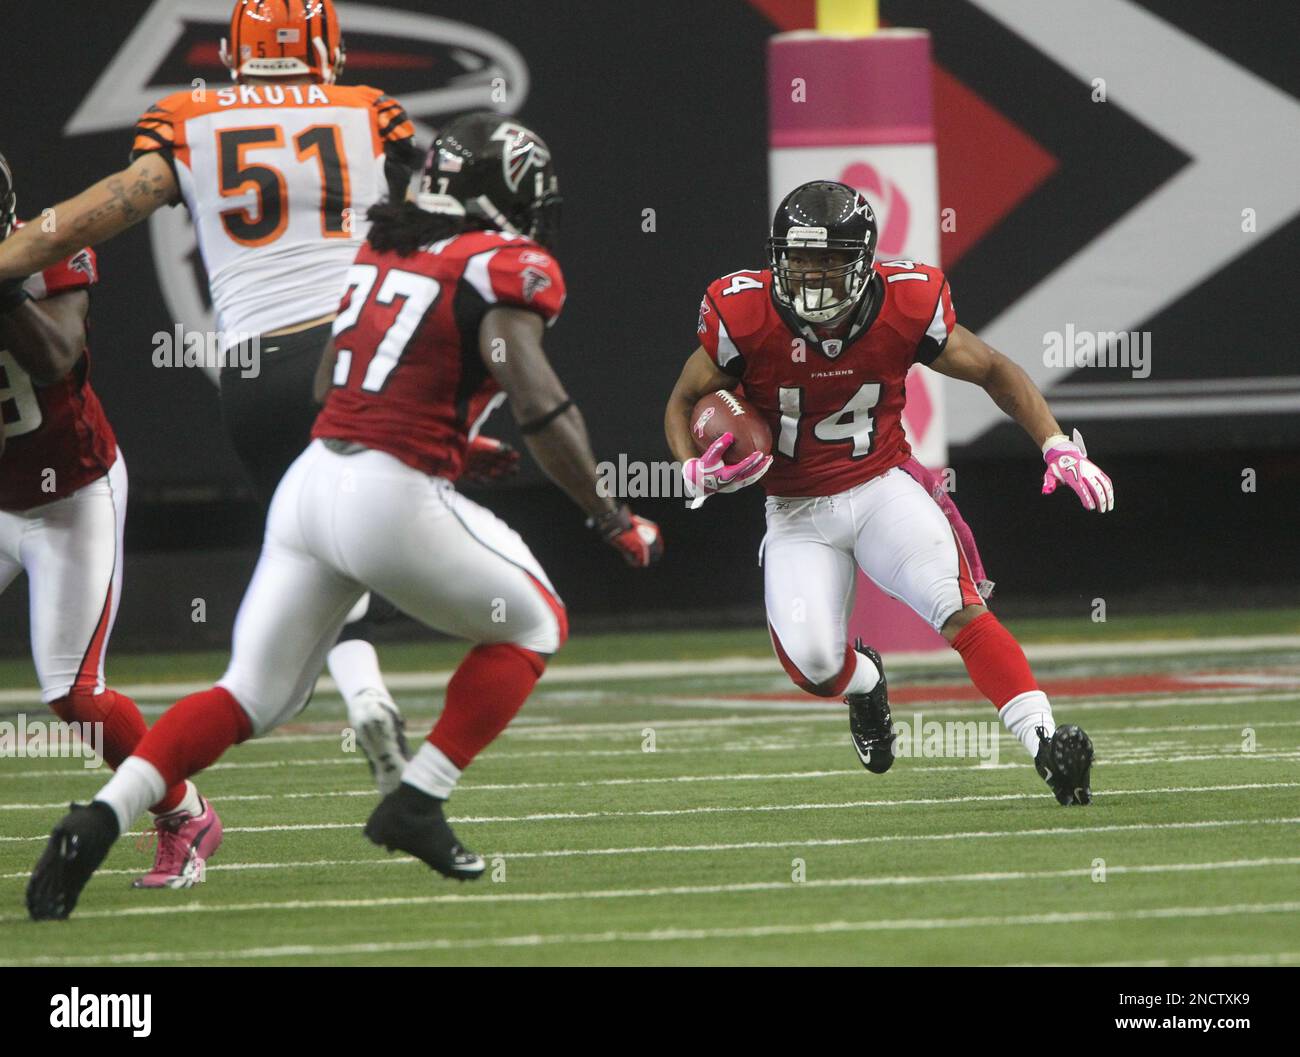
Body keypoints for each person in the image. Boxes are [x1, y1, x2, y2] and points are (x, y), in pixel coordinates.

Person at [26, 112, 664, 920]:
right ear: (501, 197)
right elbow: (542, 406)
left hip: (310, 487)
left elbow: (334, 385)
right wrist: (610, 517)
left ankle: (97, 817)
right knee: (535, 625)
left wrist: (453, 445)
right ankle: (419, 798)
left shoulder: (383, 245)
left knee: (247, 693)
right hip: (387, 497)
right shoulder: (502, 265)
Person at [0, 0, 425, 793]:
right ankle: (363, 684)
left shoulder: (191, 117)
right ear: (325, 48)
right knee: (354, 548)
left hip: (256, 380)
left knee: (316, 551)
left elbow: (75, 225)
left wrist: (9, 253)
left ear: (235, 51)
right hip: (350, 356)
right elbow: (438, 228)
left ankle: (351, 685)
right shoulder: (370, 111)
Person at [665, 180, 1110, 805]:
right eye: (800, 259)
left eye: (829, 261)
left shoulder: (906, 302)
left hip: (881, 486)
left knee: (960, 612)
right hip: (795, 511)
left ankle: (1046, 745)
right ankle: (866, 680)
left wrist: (1056, 443)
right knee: (817, 666)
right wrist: (690, 467)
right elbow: (683, 400)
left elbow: (993, 369)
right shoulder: (743, 312)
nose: (812, 277)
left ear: (864, 261)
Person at [0, 152, 220, 889]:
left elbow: (58, 352)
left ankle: (184, 810)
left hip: (71, 496)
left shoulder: (50, 248)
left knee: (75, 692)